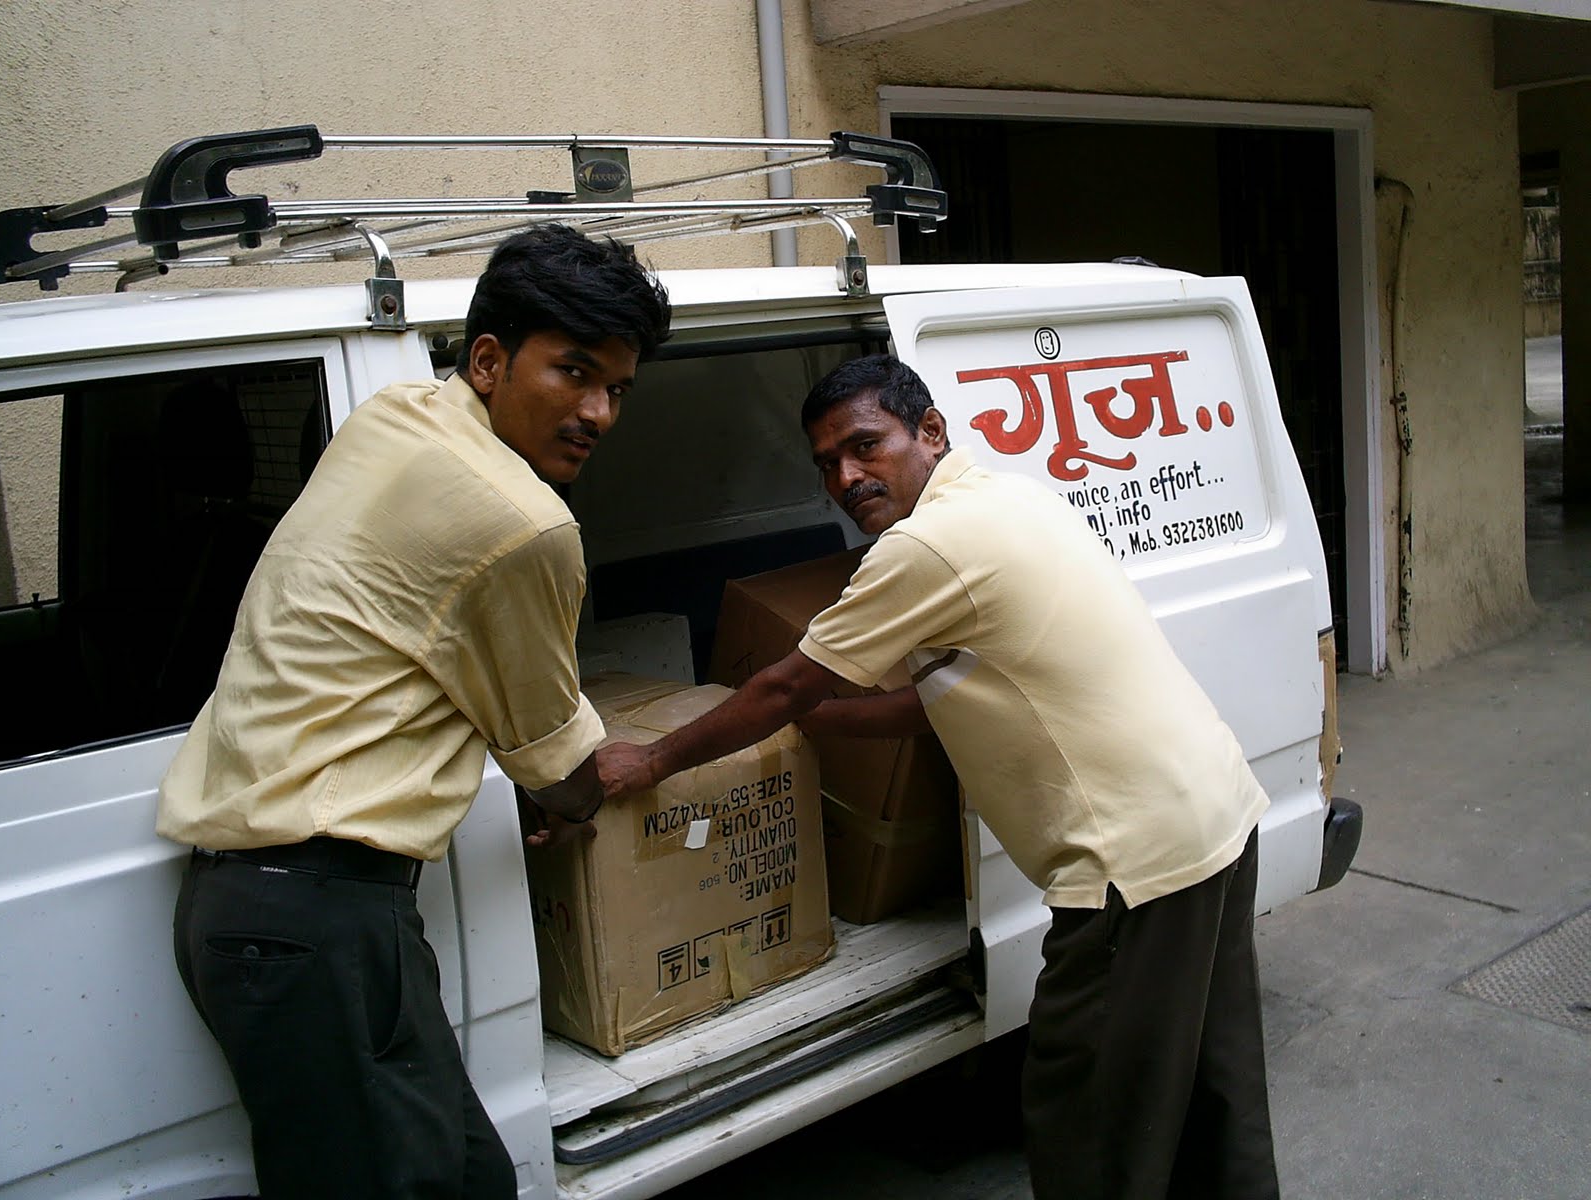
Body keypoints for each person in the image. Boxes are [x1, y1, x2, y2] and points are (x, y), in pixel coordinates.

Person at [597, 354, 1281, 1200]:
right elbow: (955, 694)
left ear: (929, 431)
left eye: (864, 446)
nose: (846, 477)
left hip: (1130, 869)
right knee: (1215, 1098)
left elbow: (785, 682)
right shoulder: (1005, 496)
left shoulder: (923, 547)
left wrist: (654, 756)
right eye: (826, 464)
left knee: (1092, 1114)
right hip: (1214, 814)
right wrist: (818, 726)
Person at [158, 224, 671, 1199]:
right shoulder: (522, 525)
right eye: (573, 373)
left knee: (468, 1179)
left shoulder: (393, 414)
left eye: (617, 388)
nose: (598, 412)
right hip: (318, 915)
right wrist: (591, 789)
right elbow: (556, 765)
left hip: (277, 907)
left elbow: (417, 638)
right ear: (487, 358)